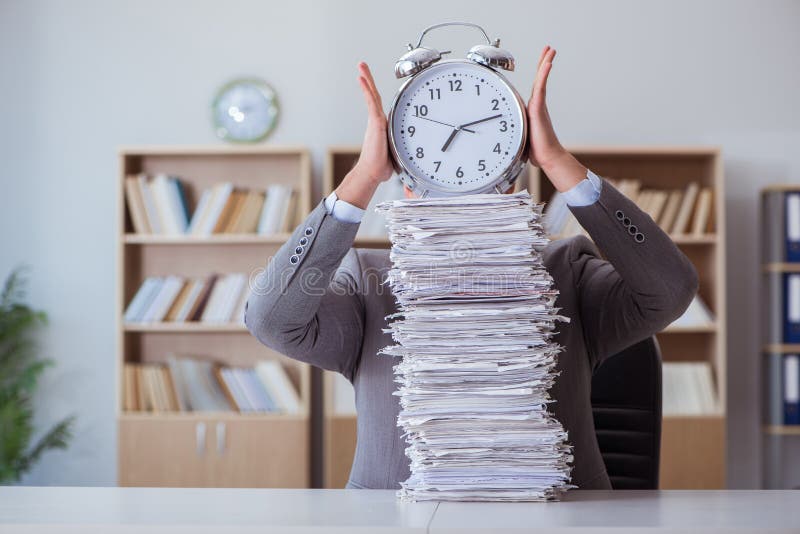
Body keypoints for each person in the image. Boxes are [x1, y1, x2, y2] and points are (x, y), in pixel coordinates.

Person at [244, 47, 698, 490]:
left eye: (480, 173)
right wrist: (363, 177)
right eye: (435, 173)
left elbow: (671, 289)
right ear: (406, 190)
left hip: (557, 520)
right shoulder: (370, 283)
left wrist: (558, 162)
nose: (460, 198)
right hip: (394, 521)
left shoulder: (568, 273)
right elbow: (270, 320)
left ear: (512, 185)